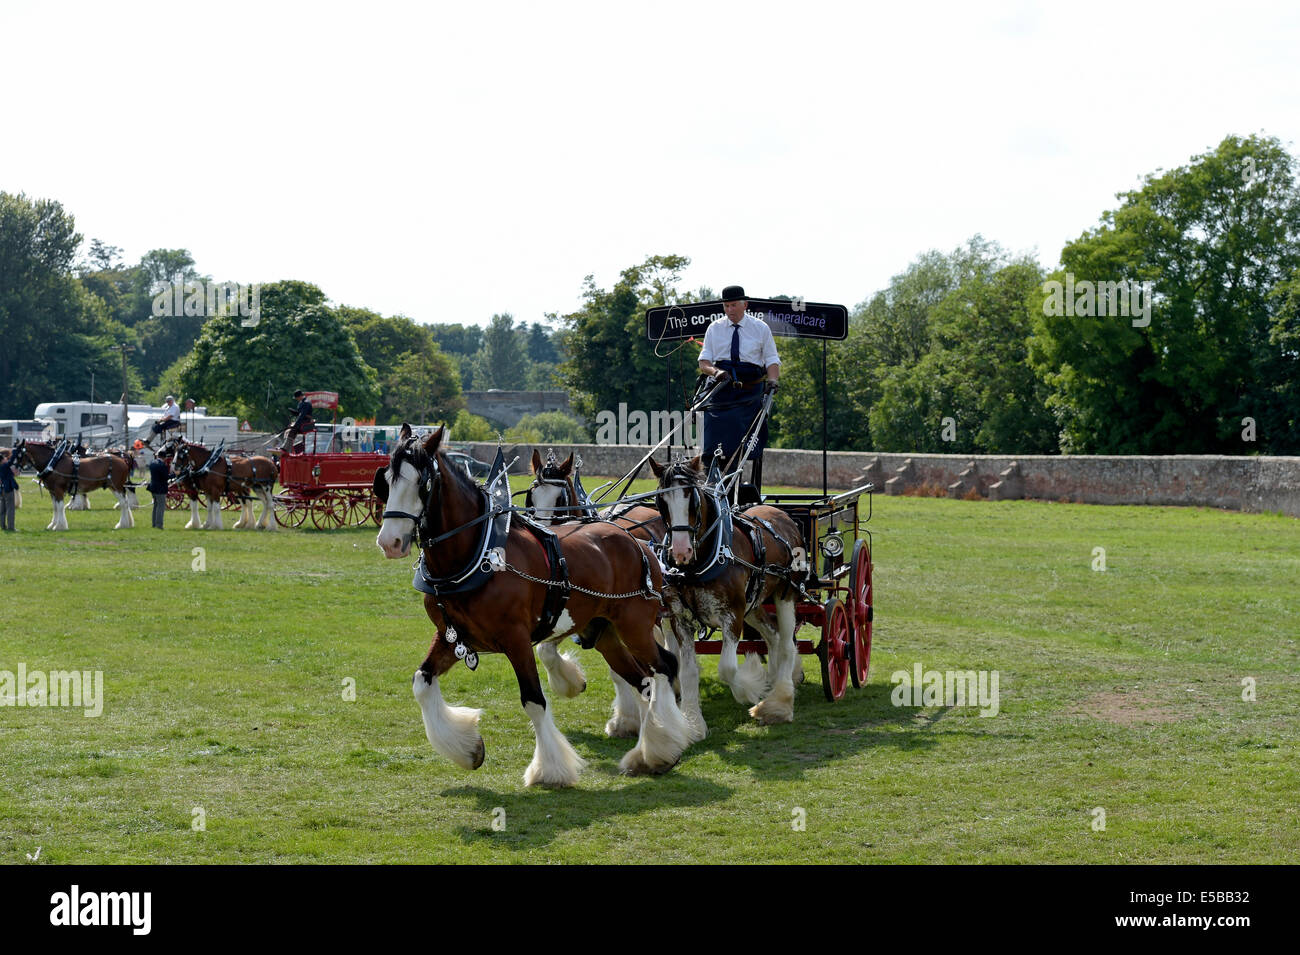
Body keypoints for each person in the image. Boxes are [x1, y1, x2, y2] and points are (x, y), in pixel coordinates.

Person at [696, 285, 781, 495]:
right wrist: (716, 373)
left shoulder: (760, 328)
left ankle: (731, 484)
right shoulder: (714, 328)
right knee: (712, 441)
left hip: (749, 392)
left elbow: (771, 360)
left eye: (734, 305)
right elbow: (704, 362)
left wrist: (772, 381)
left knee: (738, 440)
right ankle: (711, 482)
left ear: (745, 305)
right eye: (726, 306)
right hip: (721, 389)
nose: (730, 310)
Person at [147, 453, 171, 529]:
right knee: (161, 507)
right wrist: (175, 474)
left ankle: (154, 523)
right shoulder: (162, 465)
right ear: (164, 457)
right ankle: (159, 525)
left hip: (153, 487)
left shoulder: (152, 463)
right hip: (160, 488)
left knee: (155, 506)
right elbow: (166, 477)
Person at [0, 449, 18, 531]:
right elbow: (11, 461)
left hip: (1, 489)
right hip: (8, 489)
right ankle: (11, 527)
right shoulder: (4, 466)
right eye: (3, 458)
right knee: (10, 509)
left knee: (2, 509)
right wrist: (15, 452)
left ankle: (3, 526)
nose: (5, 459)